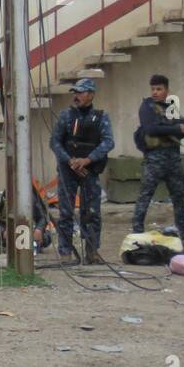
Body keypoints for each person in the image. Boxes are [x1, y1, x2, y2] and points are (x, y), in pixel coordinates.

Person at [49, 77, 114, 263]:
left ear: (91, 95)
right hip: (68, 171)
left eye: (81, 92)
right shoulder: (66, 116)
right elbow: (54, 142)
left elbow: (108, 142)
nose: (76, 96)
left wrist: (87, 160)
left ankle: (92, 252)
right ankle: (65, 252)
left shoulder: (101, 117)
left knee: (91, 212)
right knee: (66, 212)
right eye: (75, 92)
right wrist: (70, 161)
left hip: (90, 171)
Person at [132, 74, 184, 245]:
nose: (155, 92)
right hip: (154, 159)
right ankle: (137, 233)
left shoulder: (171, 107)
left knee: (179, 198)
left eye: (159, 89)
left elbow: (174, 135)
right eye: (153, 89)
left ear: (167, 90)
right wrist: (178, 128)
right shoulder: (147, 106)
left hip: (173, 158)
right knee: (145, 196)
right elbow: (151, 129)